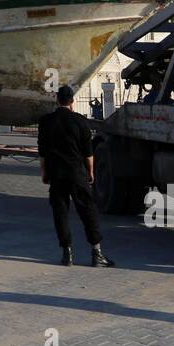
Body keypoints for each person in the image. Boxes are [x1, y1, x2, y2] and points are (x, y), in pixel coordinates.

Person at [37, 85, 113, 267]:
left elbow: (42, 153)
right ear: (72, 101)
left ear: (57, 100)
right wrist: (91, 172)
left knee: (60, 213)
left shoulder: (46, 121)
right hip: (77, 173)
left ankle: (67, 253)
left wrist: (44, 173)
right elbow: (88, 153)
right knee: (88, 211)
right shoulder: (80, 121)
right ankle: (97, 253)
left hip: (56, 173)